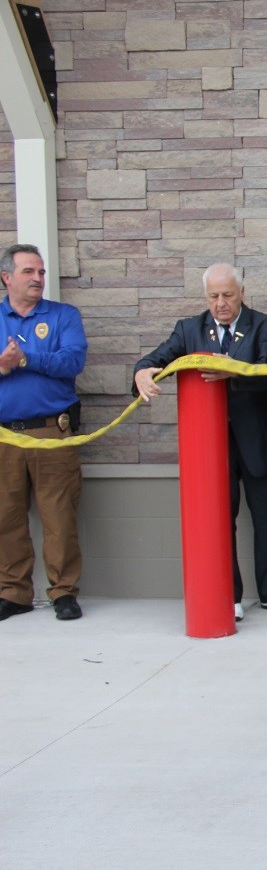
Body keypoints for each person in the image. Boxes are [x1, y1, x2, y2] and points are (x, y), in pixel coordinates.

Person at [134, 262, 267, 622]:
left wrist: (234, 371)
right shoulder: (189, 329)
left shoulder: (265, 326)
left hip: (260, 438)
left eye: (227, 295)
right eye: (213, 296)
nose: (221, 303)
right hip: (213, 447)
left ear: (242, 292)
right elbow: (158, 357)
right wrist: (142, 370)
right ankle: (230, 596)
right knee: (219, 518)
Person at [0, 244, 88, 623]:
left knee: (59, 517)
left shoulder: (63, 316)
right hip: (4, 437)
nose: (38, 279)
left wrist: (25, 359)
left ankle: (63, 591)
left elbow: (73, 360)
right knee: (6, 517)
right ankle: (14, 593)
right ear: (6, 277)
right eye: (28, 272)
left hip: (51, 433)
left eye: (41, 272)